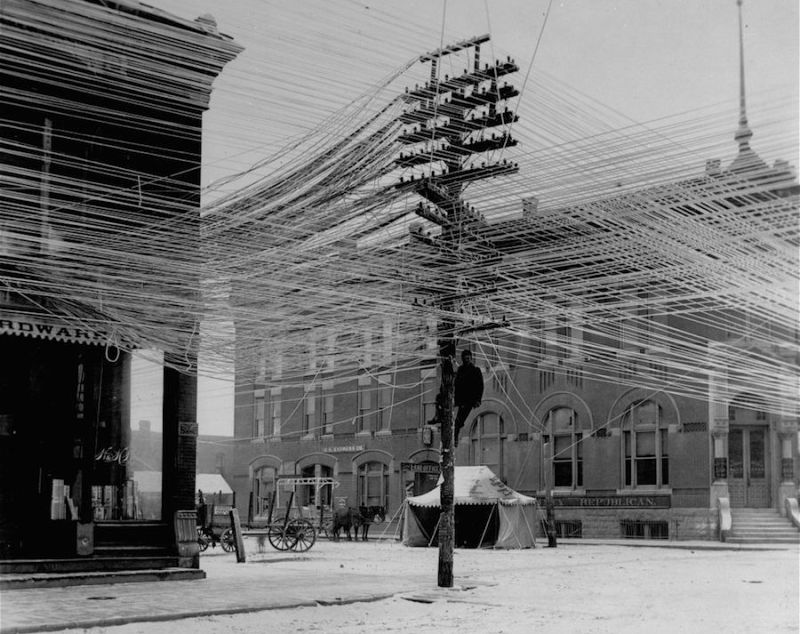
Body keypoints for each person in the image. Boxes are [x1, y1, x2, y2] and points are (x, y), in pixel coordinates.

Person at [454, 349, 483, 446]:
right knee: (457, 420)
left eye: (468, 358)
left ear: (471, 358)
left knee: (459, 420)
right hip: (461, 400)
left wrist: (478, 400)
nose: (467, 360)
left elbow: (480, 386)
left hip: (470, 400)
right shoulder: (460, 370)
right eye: (465, 358)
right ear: (462, 359)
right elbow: (457, 385)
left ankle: (455, 439)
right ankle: (454, 438)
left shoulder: (475, 370)